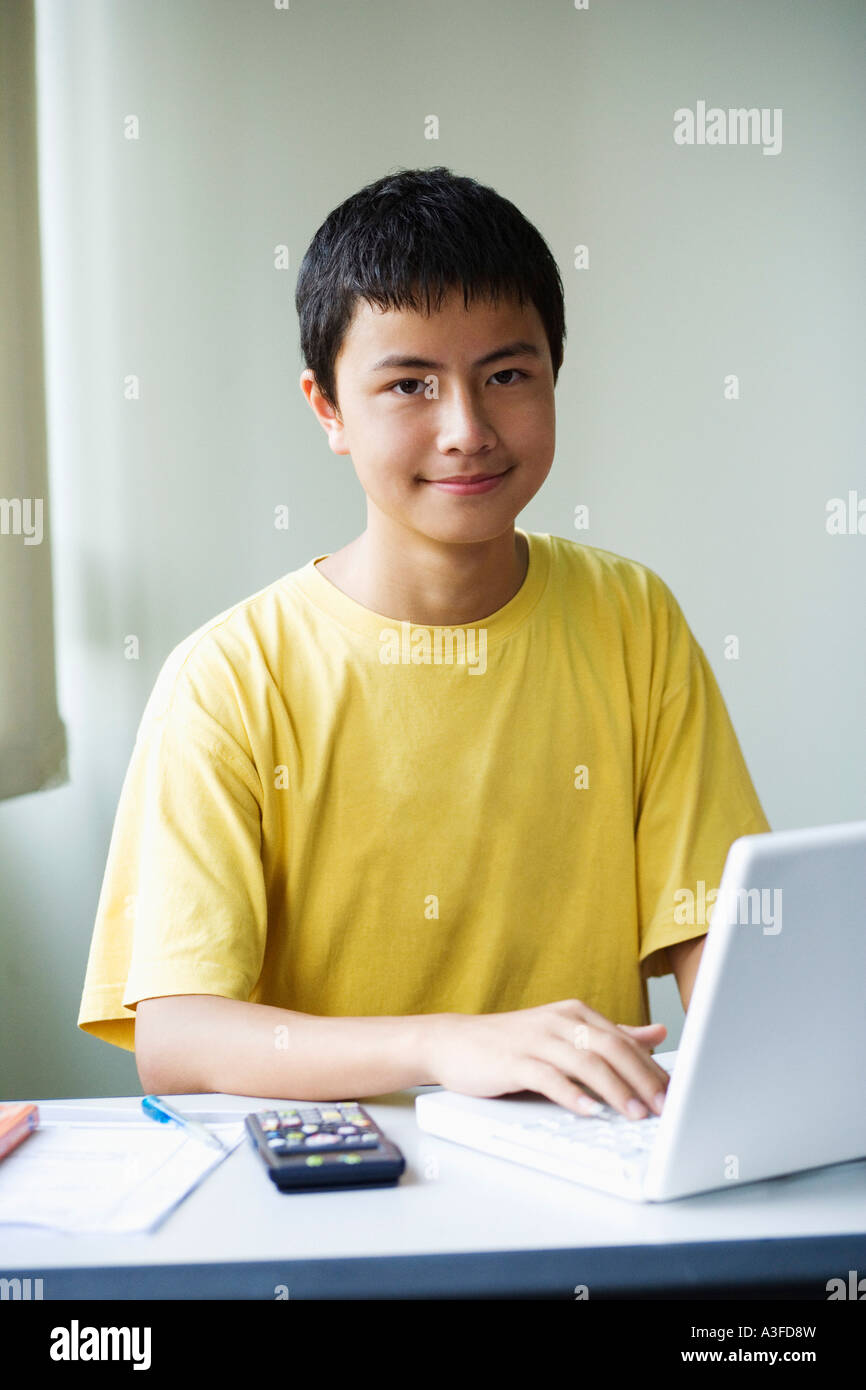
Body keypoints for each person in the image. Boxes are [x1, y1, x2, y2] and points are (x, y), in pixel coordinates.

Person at [78, 167, 770, 1120]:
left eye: (508, 376)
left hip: (589, 1181)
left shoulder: (632, 617)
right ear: (328, 409)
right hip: (342, 1195)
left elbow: (718, 935)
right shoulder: (230, 677)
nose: (467, 430)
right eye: (410, 383)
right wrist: (444, 1044)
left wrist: (772, 1094)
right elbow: (178, 1037)